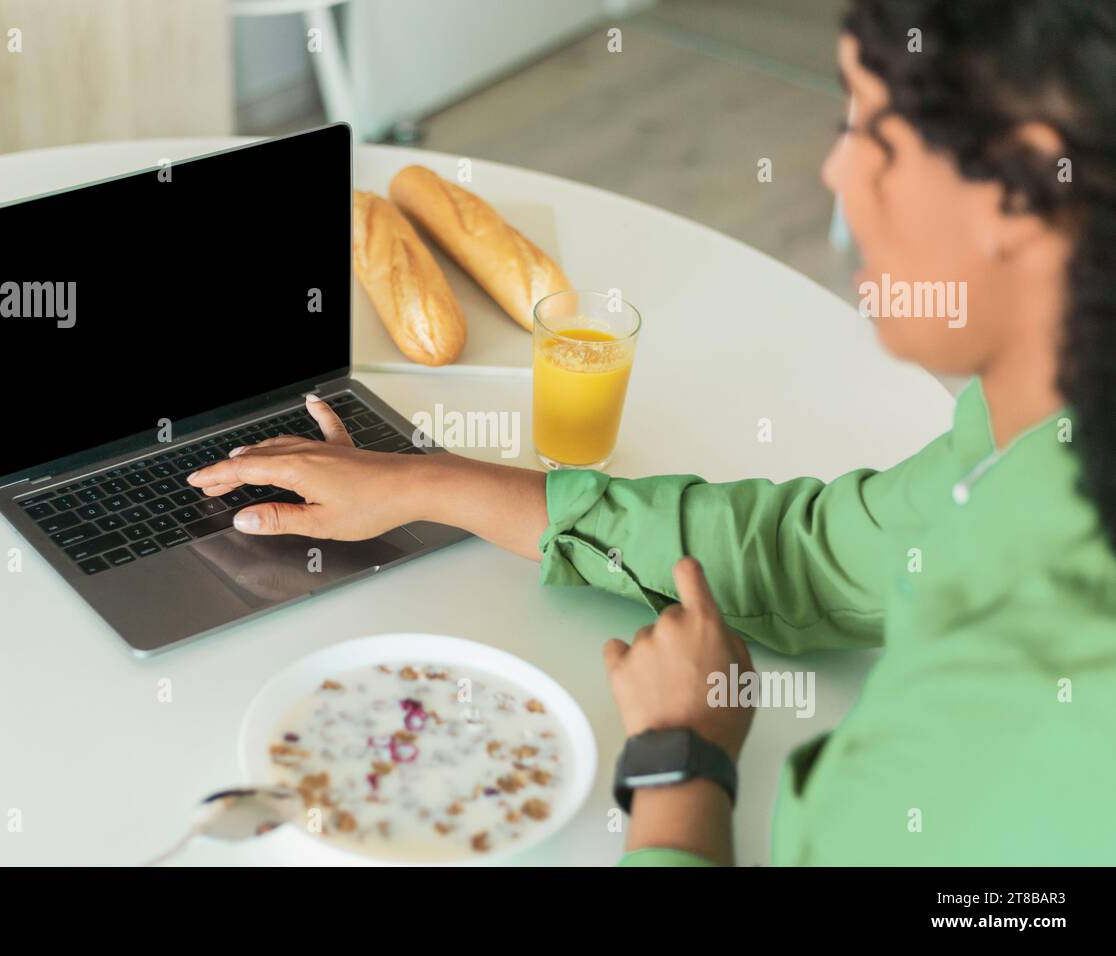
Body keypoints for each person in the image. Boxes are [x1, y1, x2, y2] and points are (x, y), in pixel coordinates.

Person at [189, 0, 1116, 864]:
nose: (833, 173)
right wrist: (431, 483)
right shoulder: (1031, 434)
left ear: (1018, 188)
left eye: (869, 132)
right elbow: (812, 554)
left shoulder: (1038, 701)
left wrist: (684, 763)